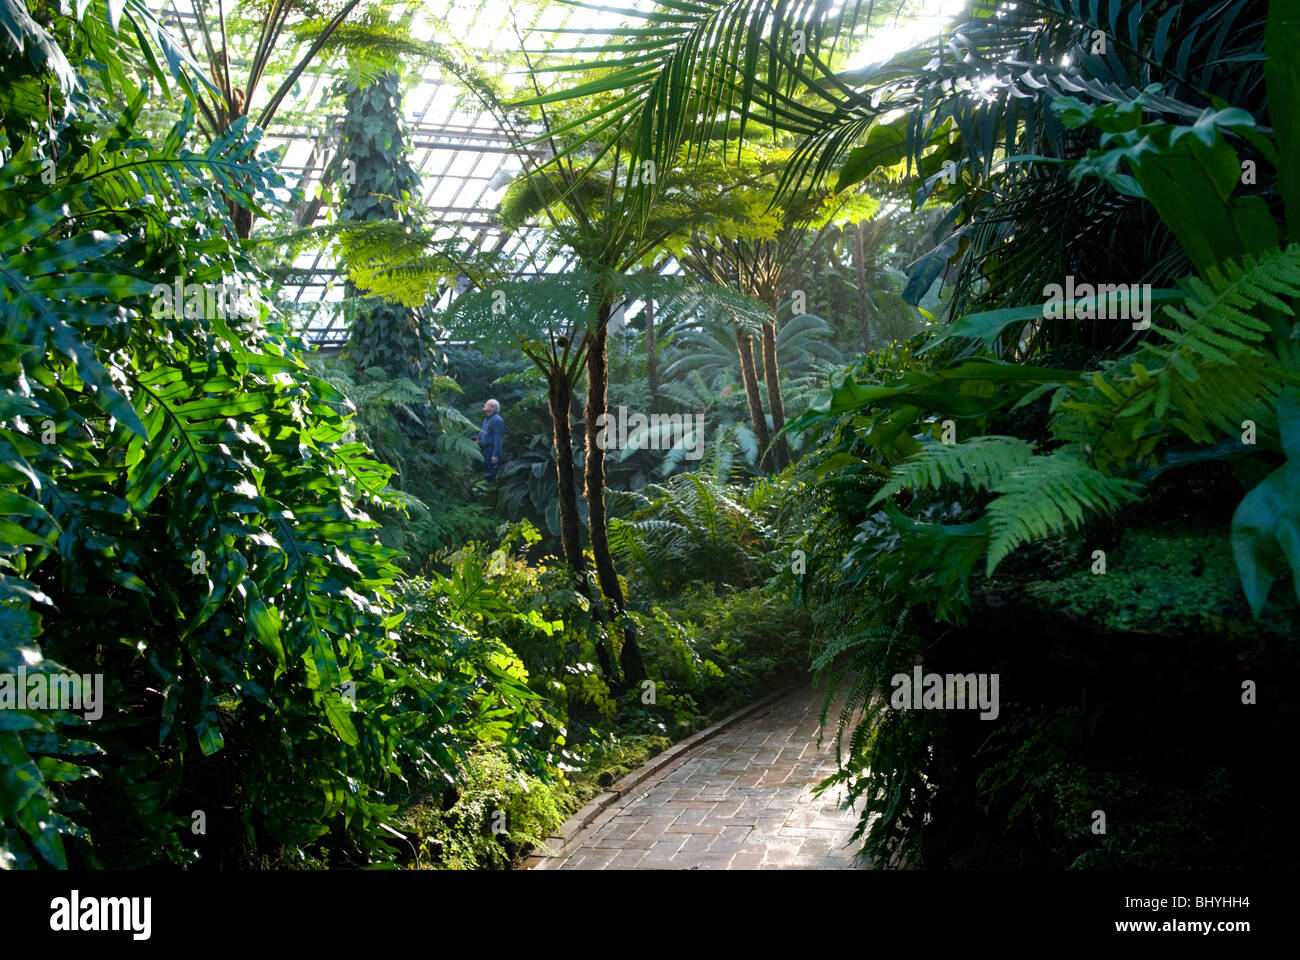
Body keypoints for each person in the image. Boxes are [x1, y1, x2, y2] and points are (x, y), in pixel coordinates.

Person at [475, 398, 505, 482]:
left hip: (492, 451)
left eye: (487, 404)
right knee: (486, 472)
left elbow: (498, 438)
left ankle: (492, 491)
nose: (484, 405)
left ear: (492, 408)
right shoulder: (487, 419)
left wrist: (495, 455)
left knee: (492, 473)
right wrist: (479, 439)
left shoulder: (497, 420)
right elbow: (483, 432)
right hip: (485, 450)